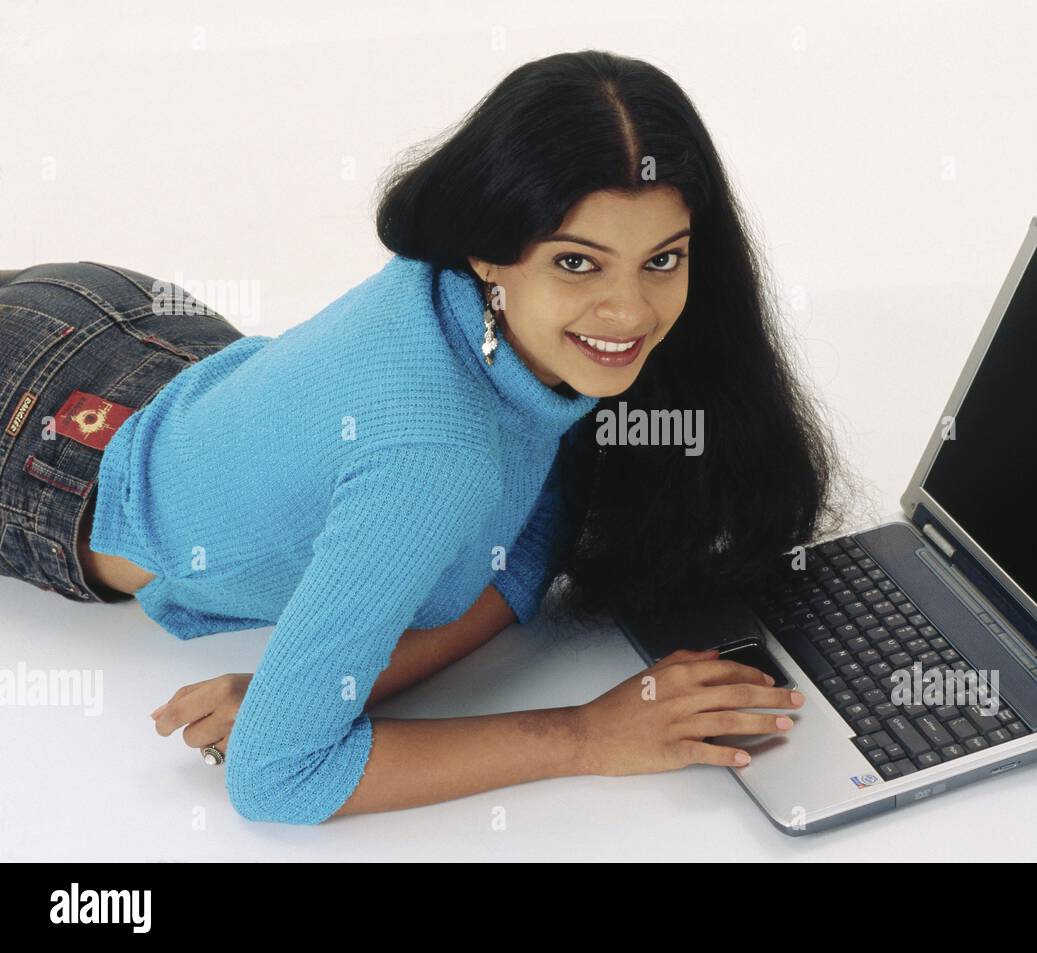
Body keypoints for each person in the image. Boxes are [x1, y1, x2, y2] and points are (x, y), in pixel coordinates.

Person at [0, 50, 852, 824]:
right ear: (490, 251)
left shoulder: (493, 322)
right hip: (36, 445)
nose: (629, 312)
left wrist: (317, 683)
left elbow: (532, 538)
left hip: (123, 324)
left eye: (662, 259)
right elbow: (275, 777)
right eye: (577, 262)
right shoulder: (434, 460)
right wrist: (586, 734)